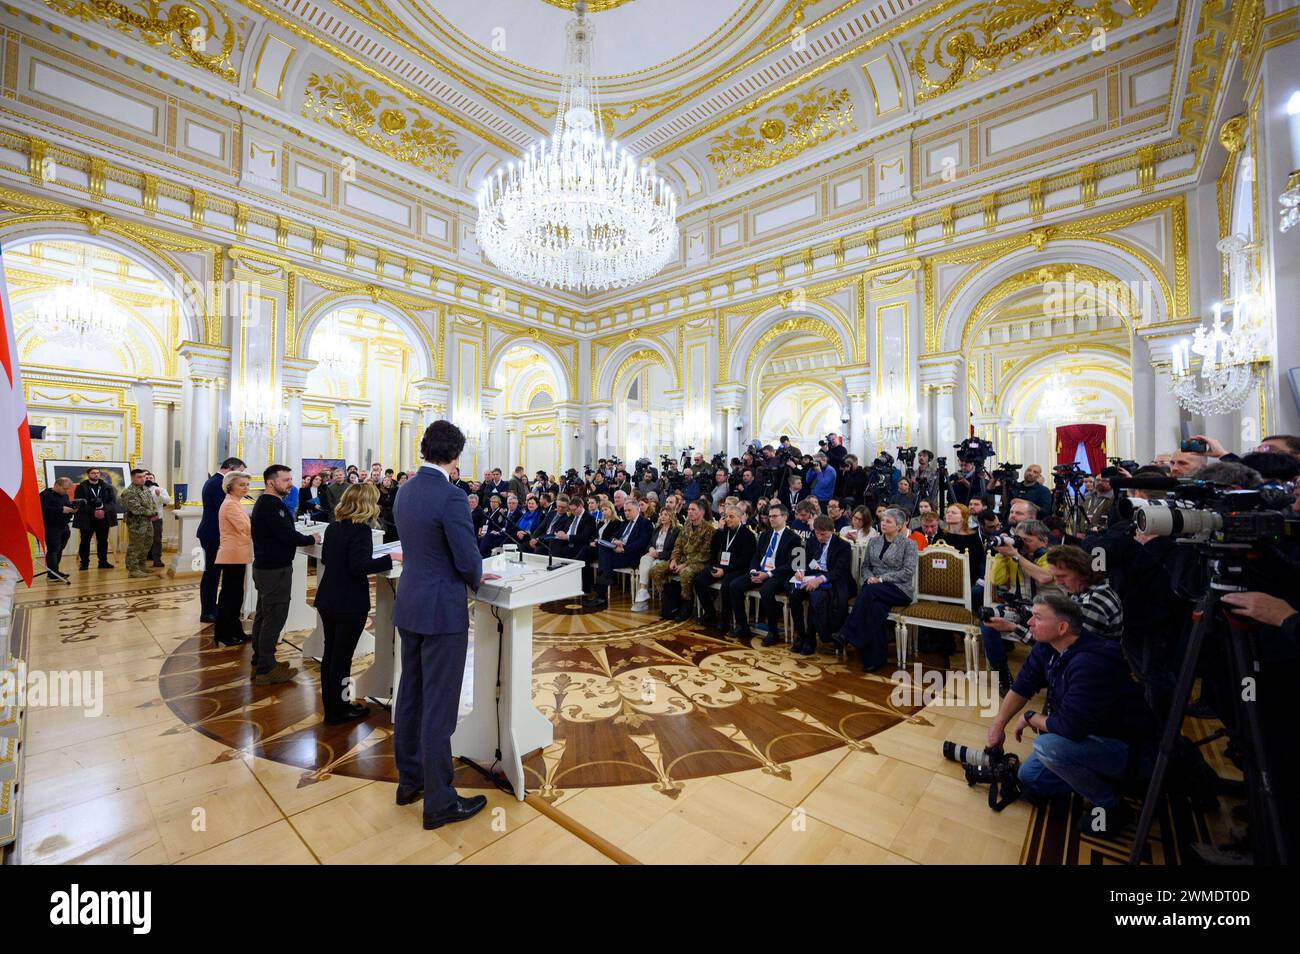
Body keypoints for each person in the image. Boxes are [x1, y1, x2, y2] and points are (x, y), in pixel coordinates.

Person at [391, 420, 495, 830]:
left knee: (411, 696)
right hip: (441, 610)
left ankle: (409, 782)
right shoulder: (451, 497)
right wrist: (474, 576)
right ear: (455, 455)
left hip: (411, 603)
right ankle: (439, 801)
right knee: (439, 707)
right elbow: (467, 558)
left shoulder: (405, 490)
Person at [985, 592, 1155, 838]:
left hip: (1126, 747)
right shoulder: (1049, 647)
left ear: (1062, 627)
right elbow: (1022, 686)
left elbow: (1068, 727)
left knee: (1046, 747)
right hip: (1088, 737)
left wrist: (1030, 717)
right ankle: (1096, 775)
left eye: (1037, 618)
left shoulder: (1091, 661)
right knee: (1029, 777)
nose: (1029, 623)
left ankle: (1111, 804)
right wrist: (997, 726)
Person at [314, 482, 399, 724]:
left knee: (330, 654)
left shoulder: (334, 527)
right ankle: (340, 710)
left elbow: (328, 559)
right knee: (342, 658)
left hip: (328, 597)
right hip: (349, 601)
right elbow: (359, 566)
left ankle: (332, 707)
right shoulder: (360, 531)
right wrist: (389, 559)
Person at [250, 465, 319, 684]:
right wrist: (311, 539)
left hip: (267, 566)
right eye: (286, 480)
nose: (291, 483)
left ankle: (261, 658)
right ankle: (266, 669)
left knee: (264, 614)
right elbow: (286, 535)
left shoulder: (269, 503)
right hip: (273, 569)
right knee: (274, 616)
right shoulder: (270, 506)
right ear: (271, 482)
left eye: (291, 479)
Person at [831, 507, 918, 671]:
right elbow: (865, 566)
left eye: (888, 521)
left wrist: (881, 579)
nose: (883, 524)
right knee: (876, 609)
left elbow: (907, 572)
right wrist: (870, 577)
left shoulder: (909, 544)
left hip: (898, 589)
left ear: (899, 526)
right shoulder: (874, 541)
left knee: (870, 591)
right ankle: (874, 659)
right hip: (874, 587)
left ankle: (846, 633)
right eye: (883, 520)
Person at [728, 502, 800, 644]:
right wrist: (754, 571)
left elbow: (791, 565)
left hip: (777, 574)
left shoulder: (793, 538)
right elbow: (756, 556)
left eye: (775, 516)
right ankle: (743, 626)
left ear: (785, 517)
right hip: (760, 571)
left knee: (767, 590)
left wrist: (768, 574)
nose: (771, 519)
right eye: (769, 516)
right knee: (734, 585)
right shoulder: (765, 535)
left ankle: (773, 632)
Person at [788, 515, 855, 655]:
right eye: (817, 533)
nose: (819, 537)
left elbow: (839, 571)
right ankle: (800, 634)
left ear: (832, 531)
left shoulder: (843, 545)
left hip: (833, 580)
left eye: (823, 534)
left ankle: (811, 638)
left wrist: (820, 579)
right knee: (794, 594)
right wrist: (800, 571)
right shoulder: (812, 541)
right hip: (811, 576)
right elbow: (804, 560)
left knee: (816, 596)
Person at [649, 498, 714, 622]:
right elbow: (678, 546)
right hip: (682, 560)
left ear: (702, 512)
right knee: (655, 570)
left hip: (699, 562)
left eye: (693, 510)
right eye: (689, 509)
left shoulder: (709, 530)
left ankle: (687, 605)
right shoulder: (687, 526)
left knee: (686, 573)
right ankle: (668, 600)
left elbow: (704, 554)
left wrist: (684, 564)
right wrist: (674, 560)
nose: (689, 512)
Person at [197, 457, 245, 622]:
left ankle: (212, 607)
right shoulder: (218, 484)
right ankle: (208, 611)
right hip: (213, 534)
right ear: (231, 469)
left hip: (213, 533)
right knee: (211, 574)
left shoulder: (215, 481)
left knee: (213, 573)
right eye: (240, 472)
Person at [213, 471, 253, 649]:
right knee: (230, 596)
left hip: (238, 553)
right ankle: (223, 634)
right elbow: (244, 528)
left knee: (235, 596)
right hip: (232, 554)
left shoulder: (235, 503)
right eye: (242, 485)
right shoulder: (230, 504)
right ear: (230, 487)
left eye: (247, 485)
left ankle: (235, 631)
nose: (246, 488)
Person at [701, 503, 757, 630]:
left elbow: (745, 560)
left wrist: (724, 570)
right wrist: (719, 531)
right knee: (699, 579)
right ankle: (710, 613)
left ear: (740, 518)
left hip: (737, 569)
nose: (728, 519)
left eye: (731, 517)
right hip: (721, 566)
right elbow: (713, 549)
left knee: (727, 584)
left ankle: (725, 620)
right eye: (726, 516)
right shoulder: (724, 531)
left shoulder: (747, 535)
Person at [588, 498, 651, 610]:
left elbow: (642, 543)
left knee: (605, 560)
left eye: (629, 510)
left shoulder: (645, 523)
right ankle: (601, 594)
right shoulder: (625, 523)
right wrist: (614, 541)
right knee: (603, 549)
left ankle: (601, 594)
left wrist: (624, 548)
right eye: (625, 510)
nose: (626, 513)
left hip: (632, 555)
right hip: (618, 551)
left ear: (637, 509)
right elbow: (614, 535)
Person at [631, 509, 679, 612]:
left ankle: (648, 596)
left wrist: (659, 554)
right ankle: (643, 589)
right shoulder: (657, 529)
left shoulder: (676, 531)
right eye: (661, 514)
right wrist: (651, 549)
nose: (662, 517)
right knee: (644, 558)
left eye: (666, 515)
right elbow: (649, 544)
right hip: (653, 554)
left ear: (671, 516)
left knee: (653, 565)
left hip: (664, 558)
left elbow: (675, 550)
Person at [73, 466, 119, 571]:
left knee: (103, 541)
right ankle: (84, 563)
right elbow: (79, 502)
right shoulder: (81, 487)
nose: (96, 475)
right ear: (88, 474)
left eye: (98, 473)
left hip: (103, 518)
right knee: (85, 541)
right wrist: (94, 511)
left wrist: (103, 511)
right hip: (87, 518)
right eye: (93, 473)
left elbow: (112, 502)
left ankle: (103, 562)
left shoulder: (107, 487)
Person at [121, 468, 161, 579]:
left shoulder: (145, 489)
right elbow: (136, 509)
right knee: (136, 545)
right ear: (133, 478)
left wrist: (155, 512)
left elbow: (152, 503)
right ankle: (133, 569)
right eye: (139, 477)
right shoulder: (129, 492)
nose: (143, 479)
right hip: (136, 522)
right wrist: (152, 513)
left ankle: (141, 565)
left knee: (147, 543)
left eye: (144, 476)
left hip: (147, 521)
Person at [39, 477, 76, 580]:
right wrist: (62, 509)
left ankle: (55, 571)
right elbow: (43, 510)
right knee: (53, 550)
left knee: (59, 549)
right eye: (64, 488)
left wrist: (72, 509)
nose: (66, 491)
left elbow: (67, 506)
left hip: (64, 526)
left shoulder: (65, 495)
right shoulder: (45, 495)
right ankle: (52, 574)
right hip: (51, 527)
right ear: (57, 485)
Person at [142, 471, 171, 567]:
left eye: (151, 478)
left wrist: (159, 495)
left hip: (157, 519)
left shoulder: (161, 489)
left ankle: (157, 560)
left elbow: (167, 500)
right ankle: (141, 559)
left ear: (154, 479)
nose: (149, 479)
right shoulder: (139, 489)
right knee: (142, 539)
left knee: (157, 539)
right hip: (143, 519)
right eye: (147, 478)